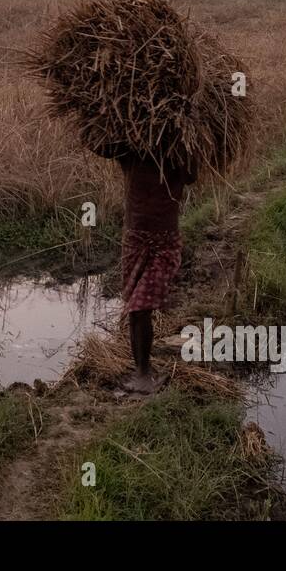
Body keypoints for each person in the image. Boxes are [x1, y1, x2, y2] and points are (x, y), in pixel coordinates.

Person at [117, 152, 195, 393]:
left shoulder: (179, 152)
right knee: (135, 308)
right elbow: (101, 145)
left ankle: (143, 374)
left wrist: (178, 147)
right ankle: (141, 369)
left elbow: (191, 175)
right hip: (134, 239)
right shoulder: (130, 151)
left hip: (164, 243)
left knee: (140, 307)